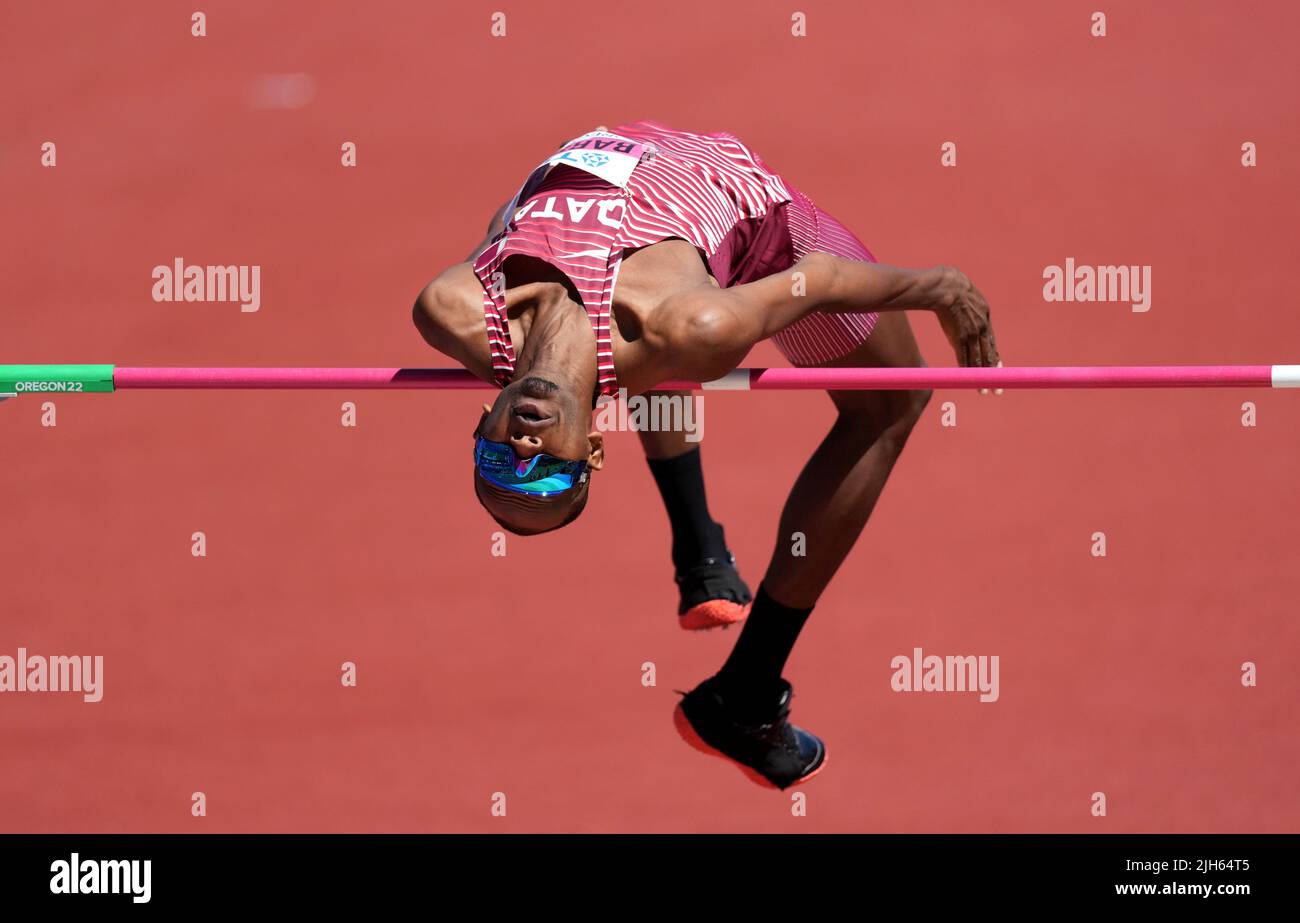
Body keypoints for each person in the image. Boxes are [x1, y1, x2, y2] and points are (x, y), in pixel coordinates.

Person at [413, 121, 1000, 788]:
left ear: (481, 423)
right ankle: (746, 691)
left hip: (615, 147)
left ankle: (700, 552)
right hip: (750, 214)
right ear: (594, 448)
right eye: (546, 469)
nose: (523, 449)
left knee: (633, 349)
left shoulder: (453, 310)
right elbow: (821, 278)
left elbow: (587, 350)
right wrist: (943, 287)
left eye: (500, 462)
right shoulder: (697, 326)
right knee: (893, 400)